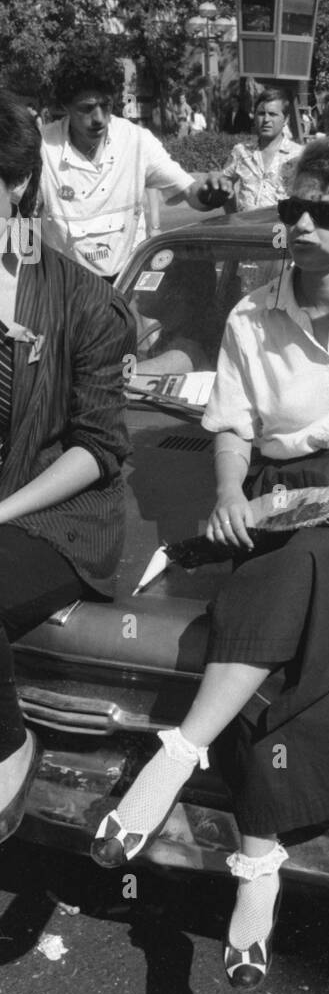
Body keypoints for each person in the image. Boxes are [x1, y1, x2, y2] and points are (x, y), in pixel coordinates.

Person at [89, 38, 329, 990]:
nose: (297, 223)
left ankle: (176, 756)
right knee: (277, 643)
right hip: (286, 497)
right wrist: (226, 494)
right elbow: (231, 424)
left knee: (287, 579)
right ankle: (258, 875)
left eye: (321, 214)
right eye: (291, 208)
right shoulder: (253, 316)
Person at [0, 92, 135, 845]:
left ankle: (9, 745)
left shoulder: (83, 301)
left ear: (17, 187)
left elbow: (99, 446)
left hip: (54, 516)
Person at [39, 42, 232, 281]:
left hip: (123, 284)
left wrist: (207, 194)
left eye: (105, 105)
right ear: (64, 106)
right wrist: (20, 271)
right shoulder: (41, 147)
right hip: (64, 288)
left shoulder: (136, 140)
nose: (99, 118)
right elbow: (14, 214)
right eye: (86, 109)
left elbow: (189, 190)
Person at [207, 89, 303, 213]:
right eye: (261, 113)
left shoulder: (299, 155)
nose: (266, 119)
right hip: (246, 228)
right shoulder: (241, 151)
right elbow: (224, 185)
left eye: (273, 114)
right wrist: (232, 216)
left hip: (280, 229)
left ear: (286, 119)